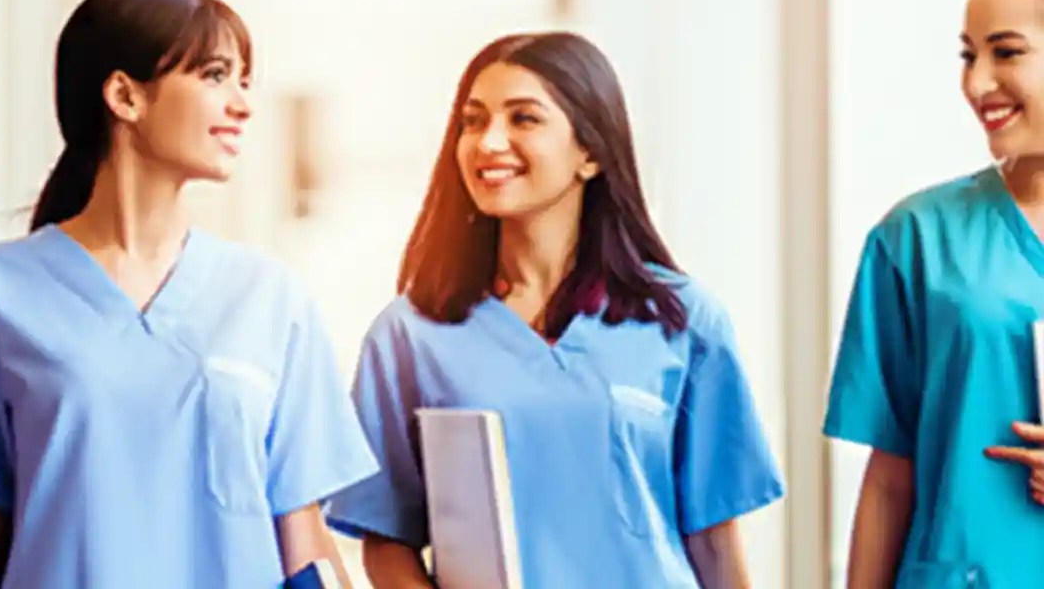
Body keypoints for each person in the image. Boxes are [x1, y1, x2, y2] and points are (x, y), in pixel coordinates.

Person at [0, 0, 378, 588]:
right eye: (215, 75)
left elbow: (303, 542)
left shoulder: (270, 300)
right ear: (125, 95)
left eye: (244, 81)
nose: (243, 104)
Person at [325, 31, 785, 587]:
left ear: (589, 152)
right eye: (473, 121)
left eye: (523, 119)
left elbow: (713, 540)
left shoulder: (684, 321)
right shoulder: (409, 335)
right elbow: (386, 540)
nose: (489, 142)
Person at [824, 0, 1044, 588]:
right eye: (968, 56)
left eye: (1005, 52)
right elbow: (891, 477)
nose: (977, 83)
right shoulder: (917, 238)